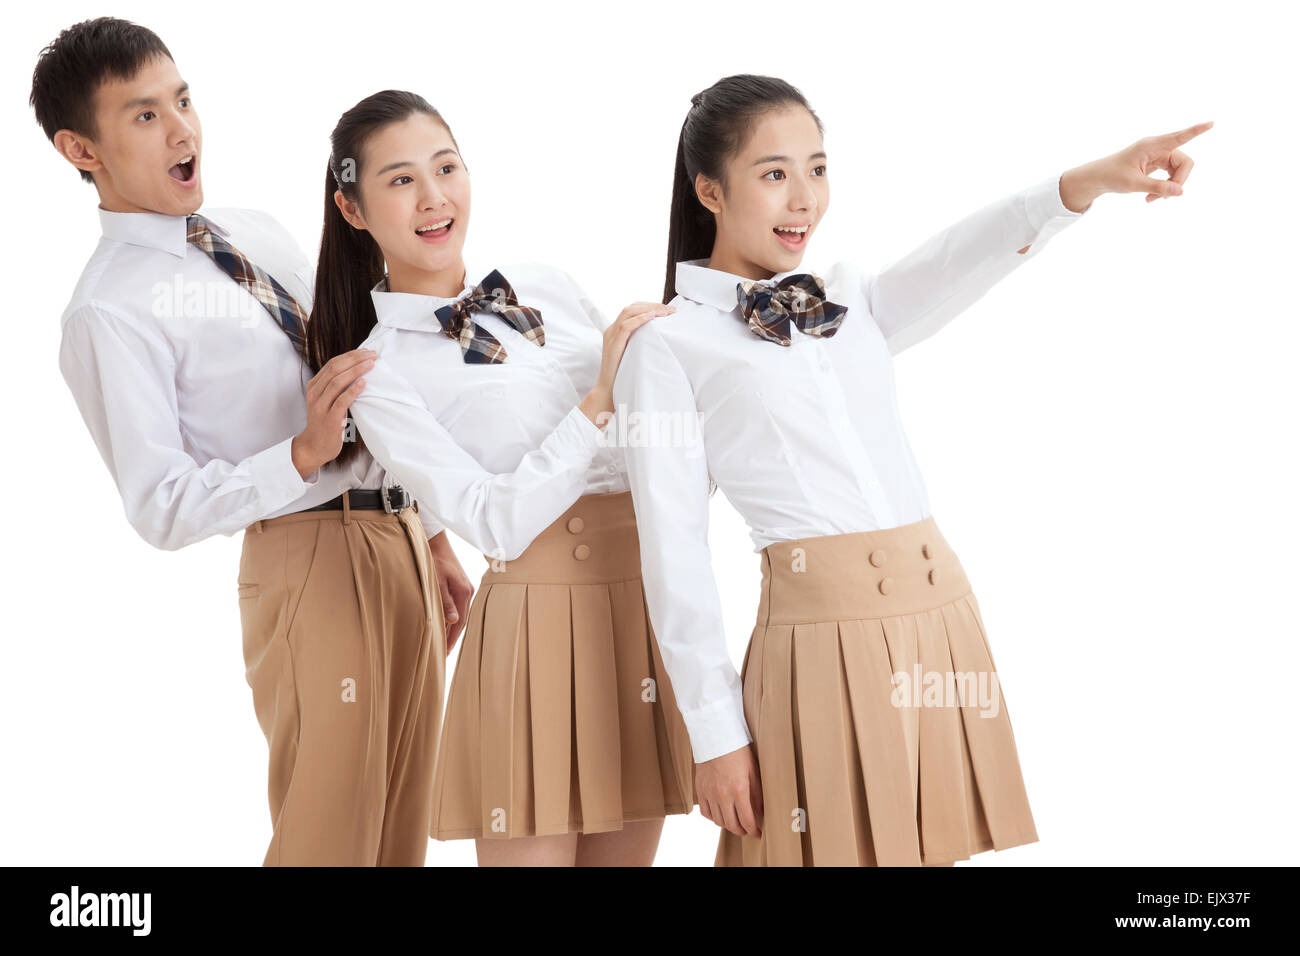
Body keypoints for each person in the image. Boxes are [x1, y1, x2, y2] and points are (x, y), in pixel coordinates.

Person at [615, 73, 1211, 866]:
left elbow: (964, 255)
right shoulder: (668, 344)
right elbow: (674, 551)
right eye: (775, 173)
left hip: (940, 614)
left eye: (817, 168)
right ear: (710, 191)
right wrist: (715, 733)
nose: (805, 199)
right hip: (820, 643)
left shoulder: (848, 302)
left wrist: (1086, 183)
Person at [32, 18, 471, 866]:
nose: (182, 129)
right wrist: (301, 455)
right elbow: (160, 506)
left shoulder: (256, 231)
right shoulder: (107, 310)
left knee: (398, 838)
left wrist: (433, 534)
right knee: (329, 839)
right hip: (307, 557)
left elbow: (360, 382)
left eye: (182, 100)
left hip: (400, 539)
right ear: (80, 149)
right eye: (145, 115)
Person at [305, 90, 695, 866]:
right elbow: (493, 521)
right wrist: (599, 397)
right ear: (353, 209)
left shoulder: (544, 283)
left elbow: (641, 443)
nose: (434, 197)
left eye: (446, 167)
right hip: (533, 619)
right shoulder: (377, 372)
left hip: (641, 602)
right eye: (401, 180)